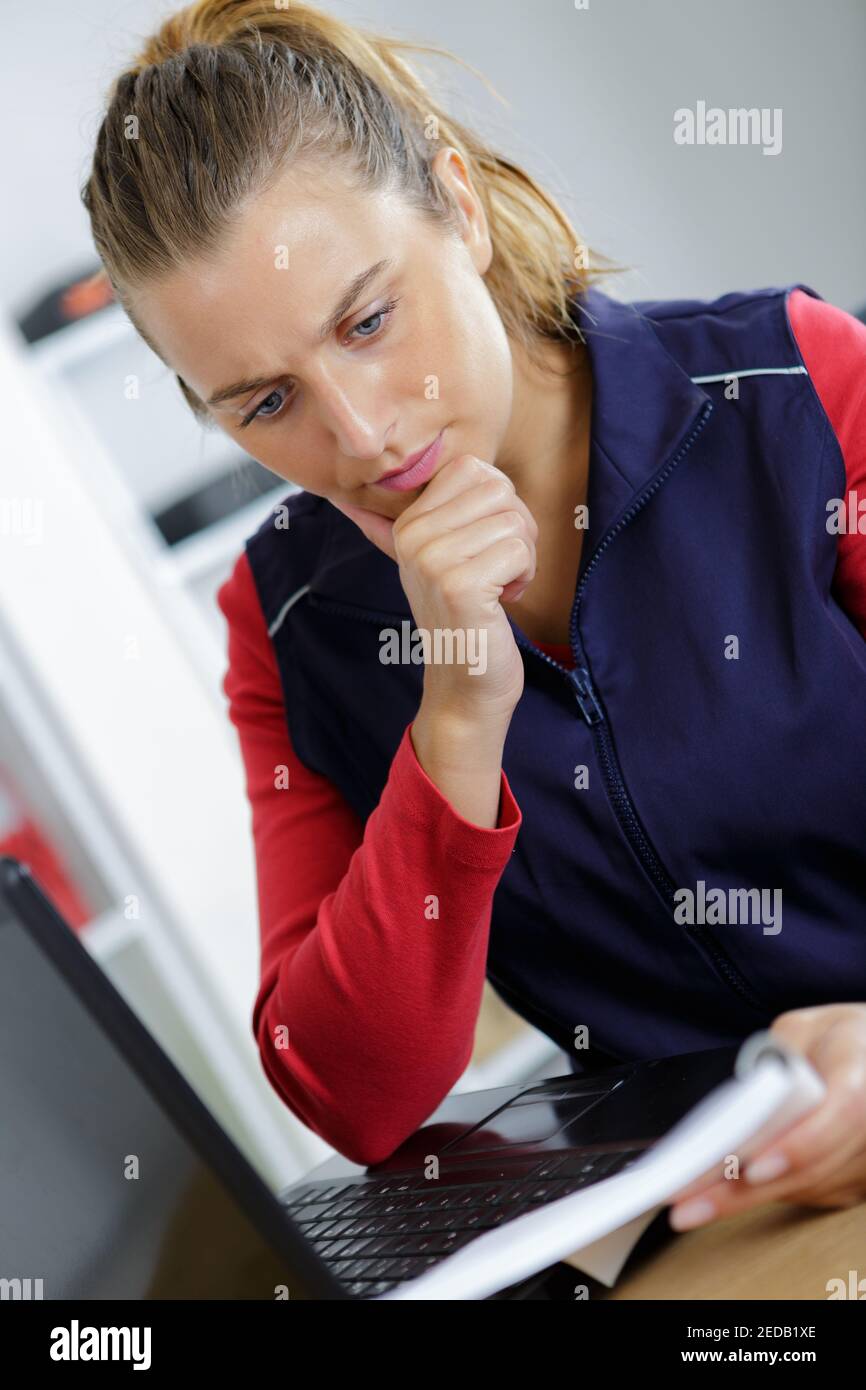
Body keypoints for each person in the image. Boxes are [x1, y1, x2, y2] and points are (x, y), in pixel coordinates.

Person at [81, 0, 866, 1235]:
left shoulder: (796, 390)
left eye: (367, 321)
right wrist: (456, 715)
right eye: (265, 400)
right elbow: (352, 1094)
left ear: (453, 201)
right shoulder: (281, 618)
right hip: (712, 1233)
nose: (360, 434)